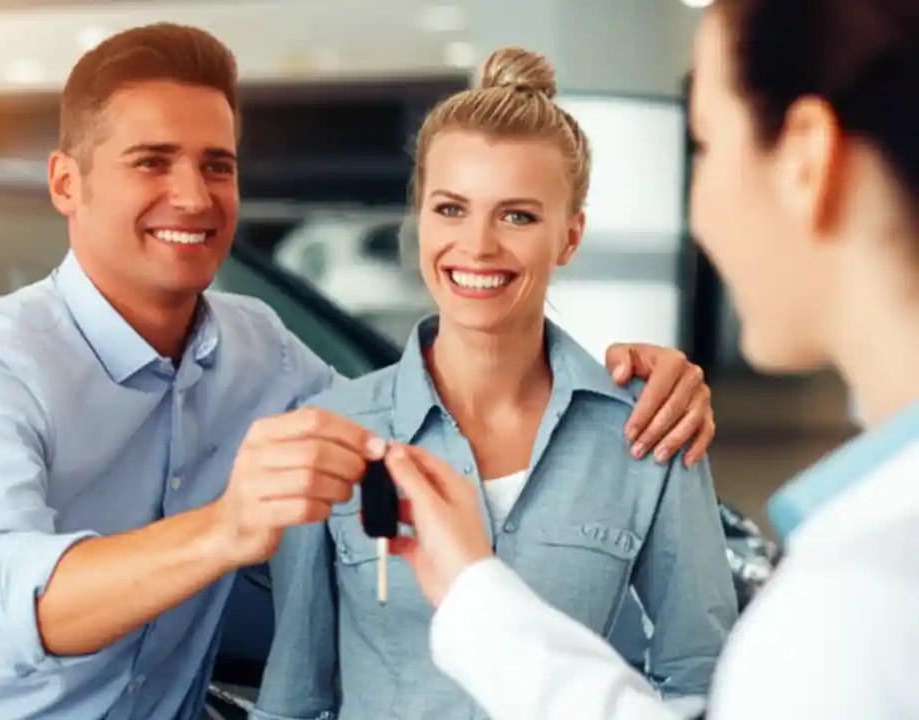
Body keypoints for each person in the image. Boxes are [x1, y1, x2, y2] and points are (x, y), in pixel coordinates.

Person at [0, 22, 721, 720]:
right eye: (151, 162)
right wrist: (229, 527)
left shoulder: (263, 354)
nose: (194, 197)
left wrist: (651, 375)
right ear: (65, 182)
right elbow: (0, 605)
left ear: (570, 233)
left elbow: (412, 407)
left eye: (217, 165)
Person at [380, 0, 919, 717]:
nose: (700, 212)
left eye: (705, 146)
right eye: (450, 208)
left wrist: (475, 597)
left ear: (805, 161)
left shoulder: (852, 609)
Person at [250, 48, 737, 720]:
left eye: (517, 216)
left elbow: (700, 681)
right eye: (451, 209)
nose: (477, 246)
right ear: (418, 218)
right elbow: (294, 698)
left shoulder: (646, 430)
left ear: (569, 237)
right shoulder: (337, 430)